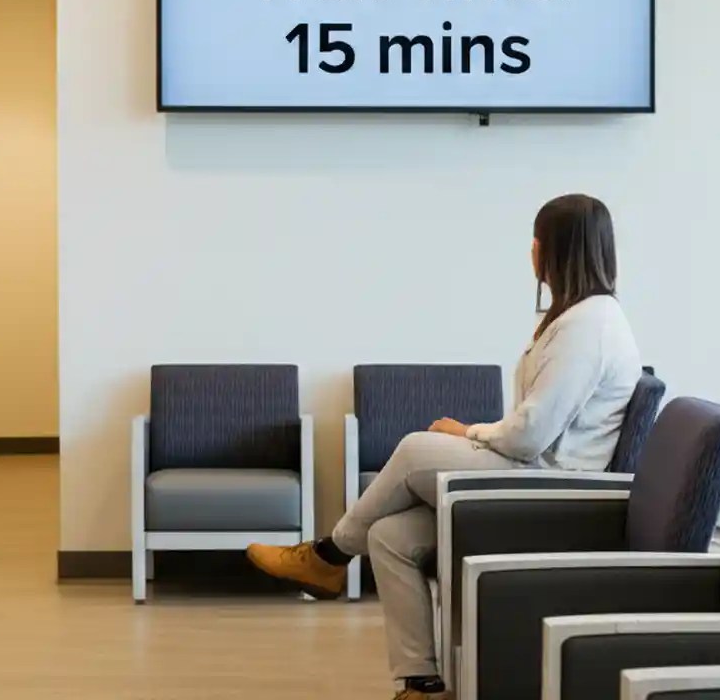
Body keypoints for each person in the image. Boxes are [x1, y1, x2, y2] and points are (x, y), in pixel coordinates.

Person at [245, 194, 642, 700]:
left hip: (555, 489)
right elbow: (534, 423)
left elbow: (528, 437)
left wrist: (468, 433)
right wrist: (476, 431)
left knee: (415, 447)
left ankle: (328, 555)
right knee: (390, 536)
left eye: (536, 243)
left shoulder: (590, 326)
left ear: (551, 251)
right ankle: (421, 683)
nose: (531, 253)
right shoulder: (579, 319)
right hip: (537, 470)